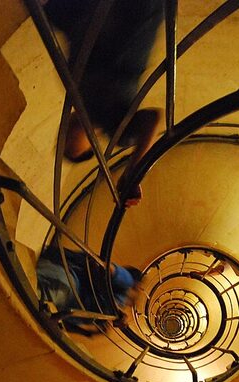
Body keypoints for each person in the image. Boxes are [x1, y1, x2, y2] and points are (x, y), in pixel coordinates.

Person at [44, 0, 164, 204]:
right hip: (133, 16)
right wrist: (132, 174)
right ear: (92, 145)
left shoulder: (78, 95)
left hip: (93, 15)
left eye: (61, 141)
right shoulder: (115, 129)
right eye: (71, 146)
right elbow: (152, 119)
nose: (65, 136)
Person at [37, 245, 143, 335]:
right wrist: (115, 311)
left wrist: (90, 333)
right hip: (66, 282)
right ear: (136, 285)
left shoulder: (114, 308)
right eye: (140, 288)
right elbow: (102, 268)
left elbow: (69, 320)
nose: (141, 291)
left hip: (61, 295)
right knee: (33, 299)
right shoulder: (127, 281)